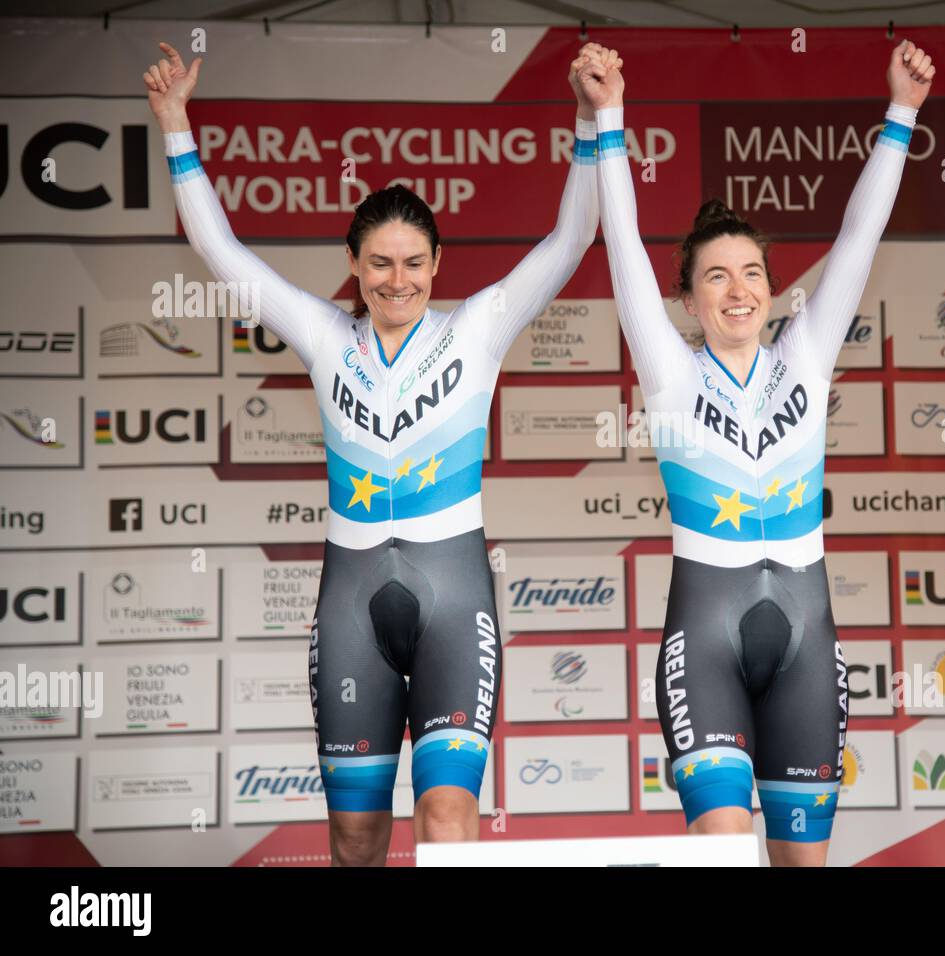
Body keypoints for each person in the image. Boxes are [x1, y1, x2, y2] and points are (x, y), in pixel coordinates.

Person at [143, 39, 619, 865]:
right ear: (354, 268)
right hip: (351, 596)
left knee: (446, 818)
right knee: (355, 839)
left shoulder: (478, 325)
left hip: (453, 593)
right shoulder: (326, 336)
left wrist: (588, 116)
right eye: (378, 264)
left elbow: (572, 240)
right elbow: (224, 256)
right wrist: (176, 123)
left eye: (413, 263)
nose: (397, 280)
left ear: (438, 264)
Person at [584, 40, 934, 866]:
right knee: (724, 847)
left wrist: (902, 113)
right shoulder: (669, 371)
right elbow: (624, 246)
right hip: (703, 637)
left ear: (773, 290)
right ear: (687, 296)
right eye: (715, 276)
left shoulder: (805, 360)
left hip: (809, 640)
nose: (738, 290)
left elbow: (859, 237)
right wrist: (609, 118)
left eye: (751, 273)